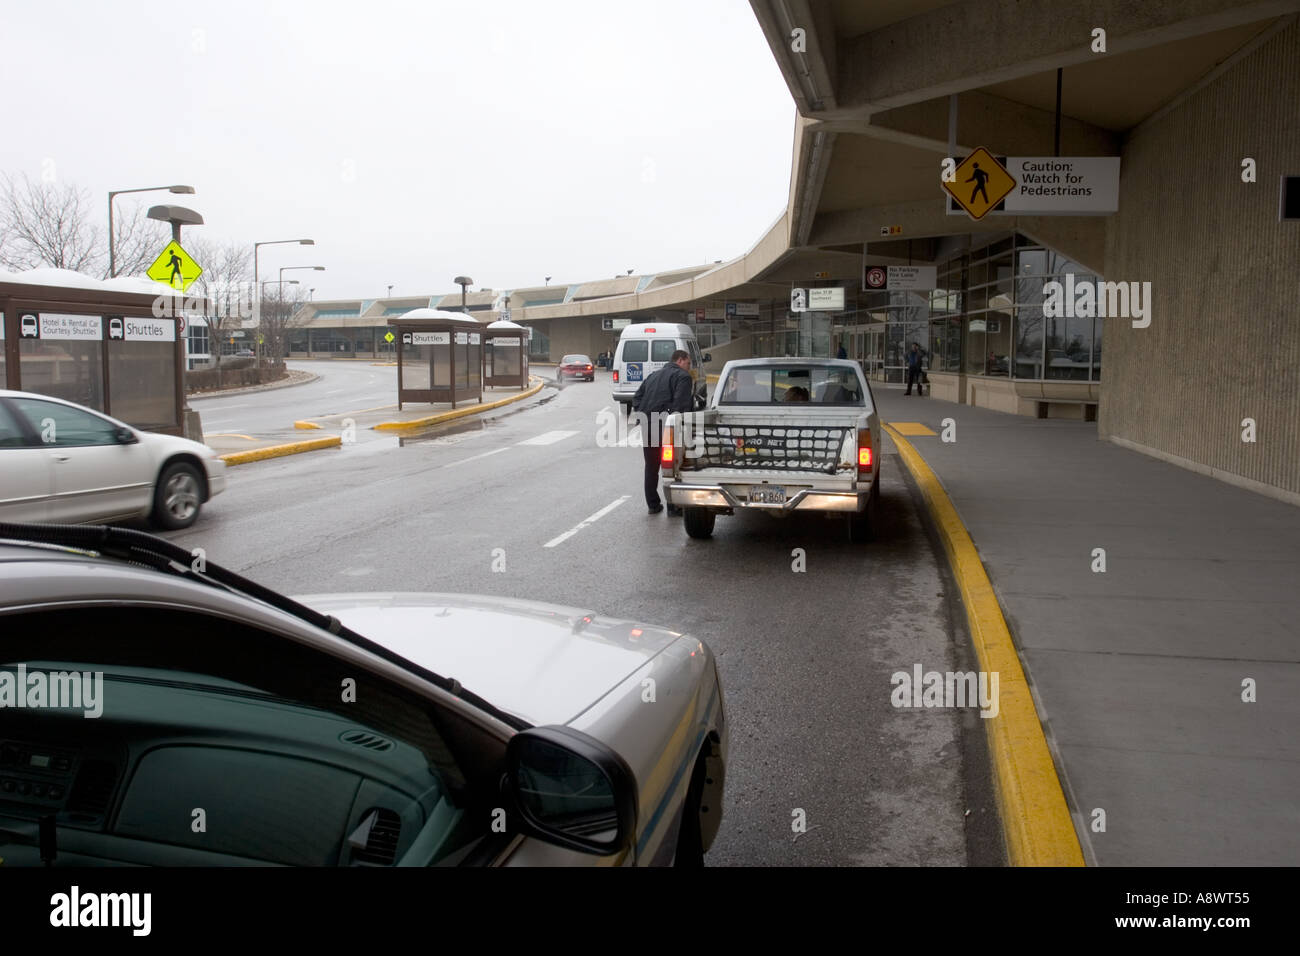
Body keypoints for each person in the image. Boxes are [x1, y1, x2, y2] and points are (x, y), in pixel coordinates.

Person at [633, 349, 693, 515]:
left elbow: (637, 397)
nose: (689, 367)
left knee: (651, 466)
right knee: (672, 466)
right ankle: (673, 507)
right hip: (668, 428)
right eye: (688, 363)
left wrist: (643, 414)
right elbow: (681, 405)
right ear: (680, 360)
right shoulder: (683, 377)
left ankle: (653, 505)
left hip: (649, 425)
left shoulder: (653, 375)